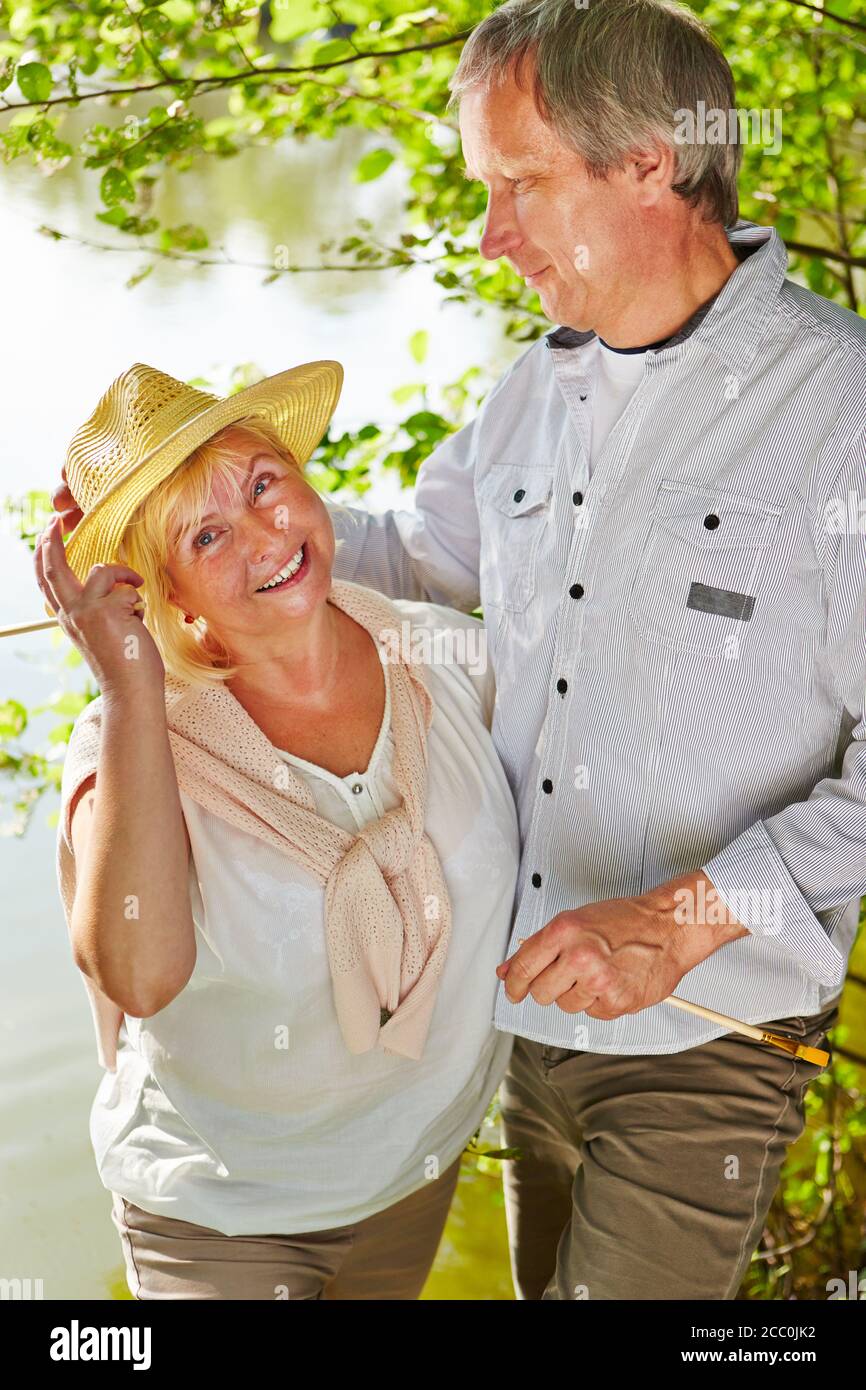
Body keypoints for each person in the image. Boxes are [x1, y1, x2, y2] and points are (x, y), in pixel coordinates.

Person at [51, 0, 865, 1302]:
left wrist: (673, 922)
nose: (490, 237)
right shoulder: (532, 392)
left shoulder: (843, 409)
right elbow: (412, 559)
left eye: (518, 186)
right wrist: (185, 522)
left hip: (709, 1031)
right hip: (520, 1017)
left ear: (650, 162)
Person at [38, 359, 520, 1300]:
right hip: (219, 1216)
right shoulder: (126, 740)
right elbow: (138, 973)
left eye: (264, 484)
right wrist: (131, 680)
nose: (266, 535)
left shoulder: (447, 656)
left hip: (407, 1181)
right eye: (207, 534)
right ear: (164, 595)